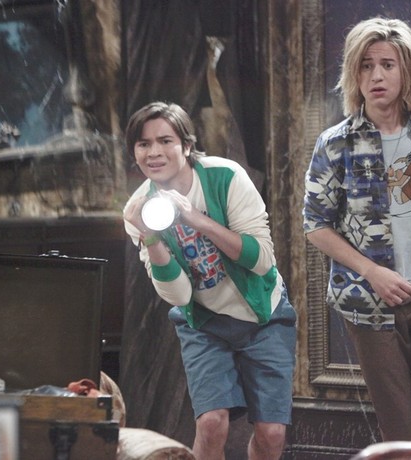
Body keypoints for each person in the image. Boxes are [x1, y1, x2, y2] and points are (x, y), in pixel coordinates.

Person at [303, 18, 411, 445]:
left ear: (407, 71)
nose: (376, 76)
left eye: (387, 64)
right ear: (354, 74)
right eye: (365, 66)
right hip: (370, 301)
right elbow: (315, 225)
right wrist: (372, 272)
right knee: (397, 422)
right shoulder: (336, 144)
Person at [123, 101, 296, 460]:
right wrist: (150, 237)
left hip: (262, 313)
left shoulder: (225, 176)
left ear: (186, 145)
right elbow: (179, 295)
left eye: (165, 141)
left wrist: (196, 220)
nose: (154, 152)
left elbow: (262, 261)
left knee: (271, 432)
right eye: (143, 144)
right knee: (212, 423)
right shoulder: (138, 210)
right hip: (203, 322)